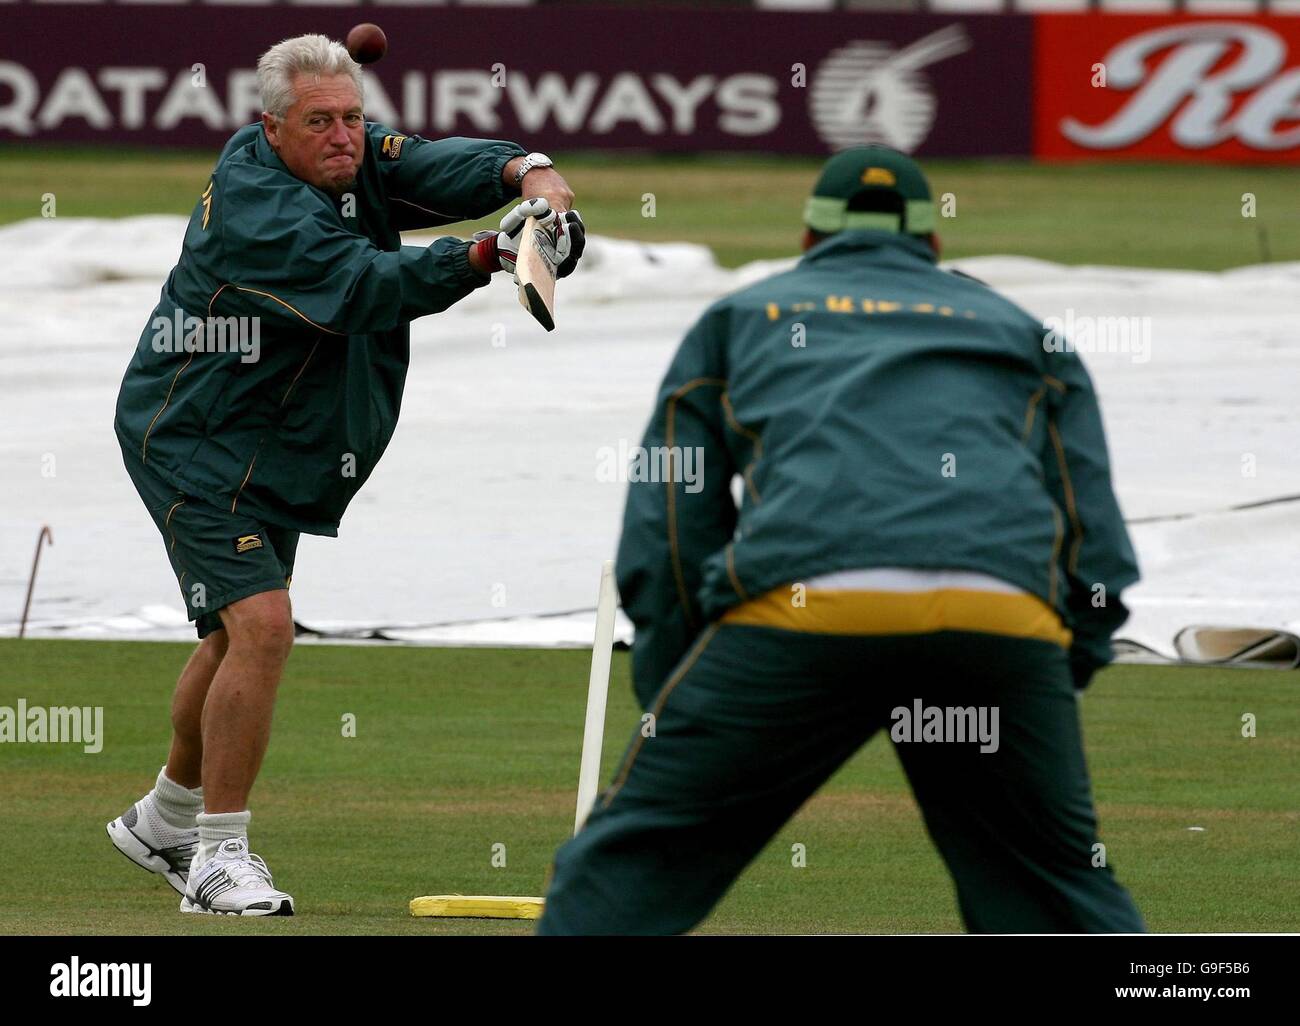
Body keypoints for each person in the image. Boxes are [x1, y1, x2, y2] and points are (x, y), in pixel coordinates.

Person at [538, 146, 1143, 935]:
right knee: (1057, 891)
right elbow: (1092, 540)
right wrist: (1058, 666)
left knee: (629, 868)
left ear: (807, 239)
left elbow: (672, 526)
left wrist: (675, 682)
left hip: (802, 615)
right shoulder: (1021, 329)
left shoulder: (738, 318)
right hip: (999, 623)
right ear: (933, 243)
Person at [106, 33, 584, 916]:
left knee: (226, 636)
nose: (345, 137)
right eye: (320, 121)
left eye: (354, 118)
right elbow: (362, 286)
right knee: (263, 627)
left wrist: (534, 179)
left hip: (273, 439)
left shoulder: (348, 156)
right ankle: (218, 857)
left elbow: (433, 164)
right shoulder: (259, 208)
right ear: (271, 128)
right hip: (193, 438)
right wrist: (485, 256)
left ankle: (163, 821)